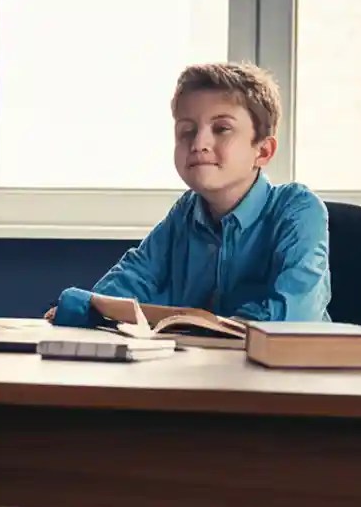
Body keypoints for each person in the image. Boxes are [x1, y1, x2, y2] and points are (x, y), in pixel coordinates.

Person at [46, 62, 330, 327]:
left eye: (221, 129)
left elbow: (292, 317)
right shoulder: (185, 214)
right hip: (202, 374)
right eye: (186, 130)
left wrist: (191, 320)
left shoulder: (299, 209)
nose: (198, 142)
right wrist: (88, 306)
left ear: (263, 151)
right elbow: (118, 291)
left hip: (288, 377)